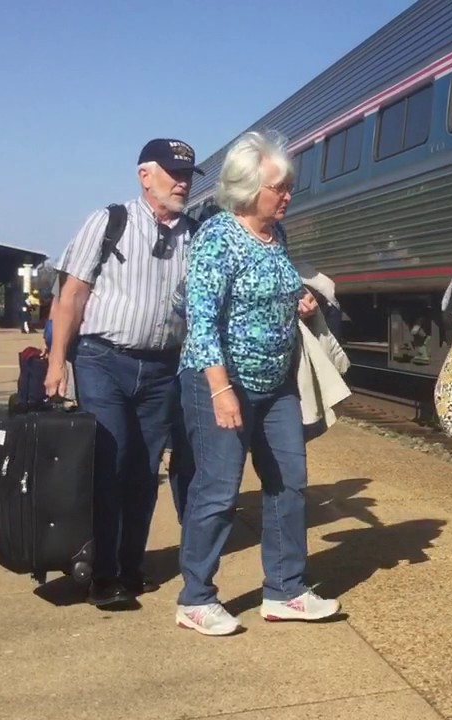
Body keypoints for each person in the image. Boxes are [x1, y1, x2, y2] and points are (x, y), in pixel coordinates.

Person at [175, 131, 339, 636]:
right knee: (219, 491)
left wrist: (299, 304)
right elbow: (201, 323)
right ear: (248, 188)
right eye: (278, 187)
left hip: (277, 386)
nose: (287, 195)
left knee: (289, 483)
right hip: (221, 384)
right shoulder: (217, 238)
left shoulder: (277, 237)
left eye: (289, 186)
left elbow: (272, 294)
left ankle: (286, 590)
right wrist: (222, 391)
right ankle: (196, 598)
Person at [47, 138, 203, 608]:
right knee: (111, 462)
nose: (182, 181)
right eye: (173, 172)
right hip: (102, 359)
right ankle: (103, 573)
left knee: (142, 470)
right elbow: (71, 296)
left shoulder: (194, 235)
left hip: (161, 368)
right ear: (145, 175)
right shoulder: (109, 221)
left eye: (188, 174)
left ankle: (130, 566)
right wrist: (57, 362)